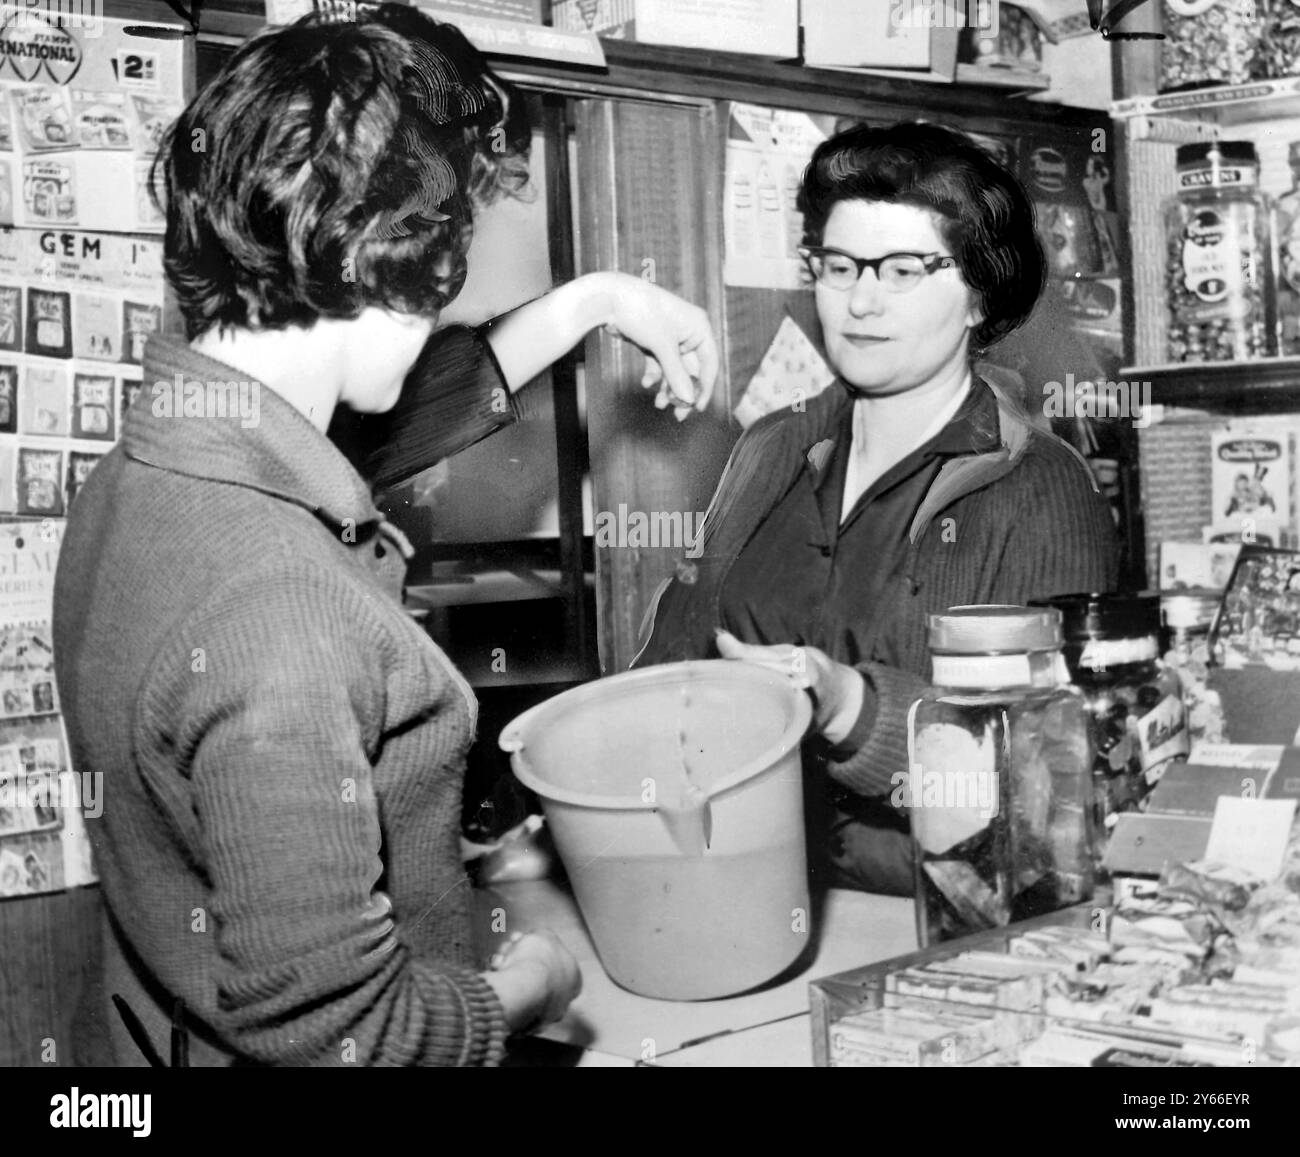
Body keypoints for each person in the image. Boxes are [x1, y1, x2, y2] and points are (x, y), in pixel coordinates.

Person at [53, 5, 717, 1067]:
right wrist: (530, 982)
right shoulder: (282, 606)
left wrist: (595, 299)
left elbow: (363, 428)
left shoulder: (148, 474)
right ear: (392, 255)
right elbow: (346, 1033)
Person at [634, 122, 1118, 896]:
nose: (859, 300)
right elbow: (671, 668)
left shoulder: (1039, 486)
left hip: (926, 923)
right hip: (725, 893)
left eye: (901, 270)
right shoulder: (772, 447)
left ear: (978, 295)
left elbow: (1043, 788)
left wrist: (850, 705)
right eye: (839, 265)